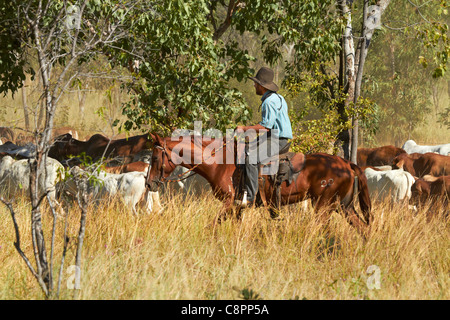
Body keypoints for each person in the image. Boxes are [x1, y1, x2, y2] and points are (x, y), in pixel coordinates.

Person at [235, 67, 293, 207]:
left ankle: (250, 197)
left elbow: (265, 126)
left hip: (277, 140)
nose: (254, 85)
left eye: (255, 83)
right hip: (273, 137)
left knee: (251, 159)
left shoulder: (269, 102)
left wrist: (244, 128)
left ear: (261, 86)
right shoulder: (278, 97)